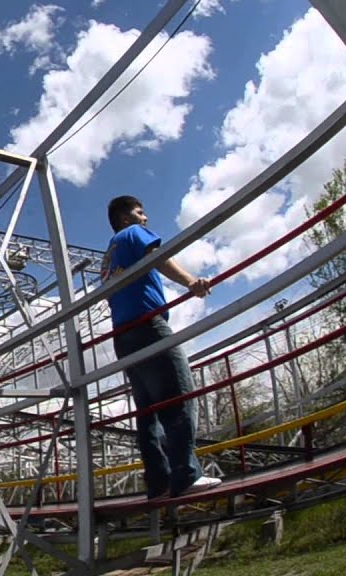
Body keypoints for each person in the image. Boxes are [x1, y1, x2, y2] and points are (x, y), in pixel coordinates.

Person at [102, 195, 221, 499]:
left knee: (148, 412)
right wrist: (191, 283)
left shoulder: (109, 255)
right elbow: (158, 256)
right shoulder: (132, 235)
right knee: (178, 396)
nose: (145, 219)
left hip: (123, 335)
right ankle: (186, 474)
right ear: (126, 219)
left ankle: (158, 480)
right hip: (148, 326)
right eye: (140, 213)